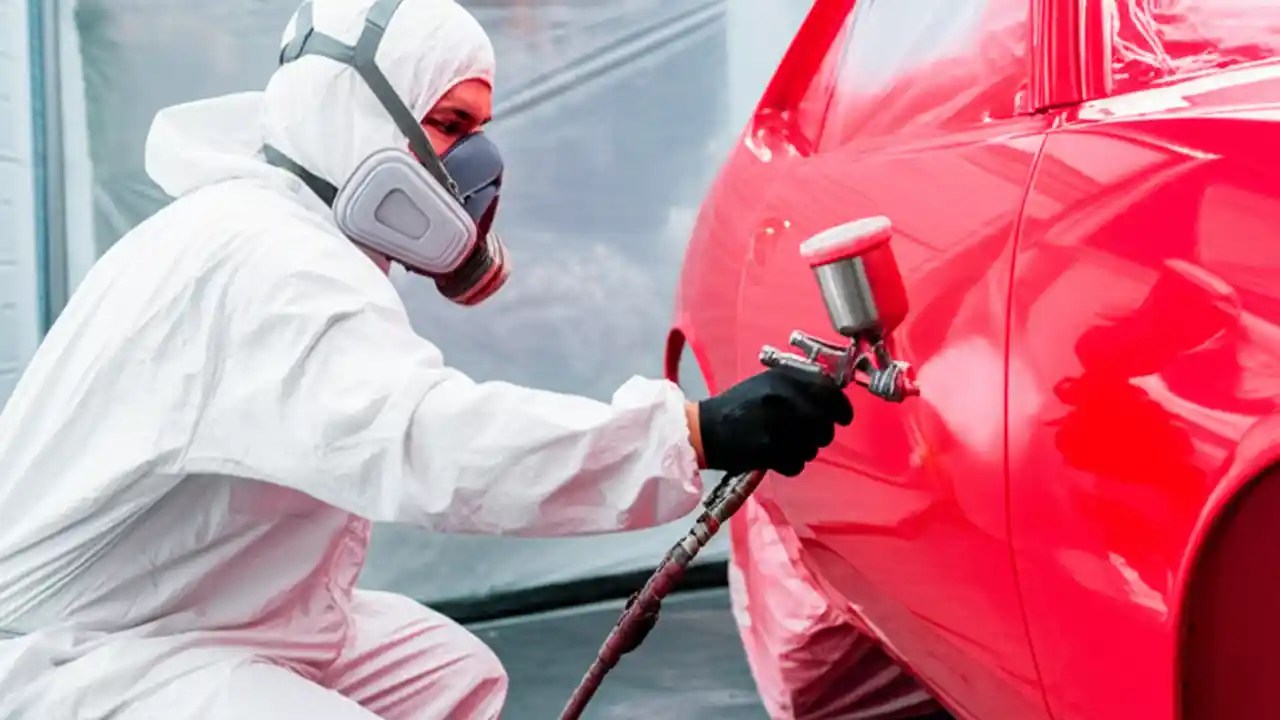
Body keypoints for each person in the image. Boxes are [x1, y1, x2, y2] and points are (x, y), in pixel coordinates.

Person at [0, 0, 853, 718]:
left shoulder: (278, 232)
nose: (476, 167)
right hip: (91, 653)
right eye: (450, 127)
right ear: (357, 120)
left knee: (450, 676)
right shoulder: (268, 263)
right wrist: (692, 432)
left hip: (202, 614)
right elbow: (426, 443)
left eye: (479, 131)